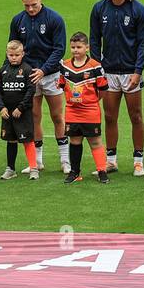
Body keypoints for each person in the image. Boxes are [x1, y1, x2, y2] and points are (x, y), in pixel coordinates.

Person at [90, 0, 144, 176]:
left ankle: (138, 161)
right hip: (109, 73)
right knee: (109, 116)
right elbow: (95, 40)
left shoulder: (138, 10)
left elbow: (143, 42)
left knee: (136, 116)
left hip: (130, 72)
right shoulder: (99, 9)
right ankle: (111, 160)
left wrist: (138, 70)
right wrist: (98, 69)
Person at [10, 0, 69, 173]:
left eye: (33, 5)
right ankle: (37, 161)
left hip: (51, 75)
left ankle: (65, 160)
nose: (30, 9)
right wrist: (5, 69)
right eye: (26, 5)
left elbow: (59, 49)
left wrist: (43, 70)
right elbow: (13, 47)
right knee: (34, 117)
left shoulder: (54, 19)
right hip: (29, 77)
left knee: (57, 116)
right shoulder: (18, 20)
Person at [58, 32, 110, 184]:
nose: (75, 50)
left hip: (90, 111)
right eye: (73, 47)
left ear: (87, 47)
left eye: (79, 47)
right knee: (74, 140)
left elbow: (103, 89)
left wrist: (92, 101)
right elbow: (62, 86)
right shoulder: (65, 65)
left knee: (95, 141)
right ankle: (75, 172)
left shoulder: (95, 66)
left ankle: (102, 170)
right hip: (72, 111)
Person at [0, 40, 38, 180]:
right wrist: (1, 108)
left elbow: (31, 91)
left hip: (23, 113)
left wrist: (21, 108)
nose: (14, 57)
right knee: (10, 140)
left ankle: (33, 168)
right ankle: (10, 169)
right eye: (11, 55)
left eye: (17, 55)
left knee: (27, 140)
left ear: (22, 54)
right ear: (7, 54)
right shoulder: (2, 71)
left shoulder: (27, 70)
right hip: (7, 113)